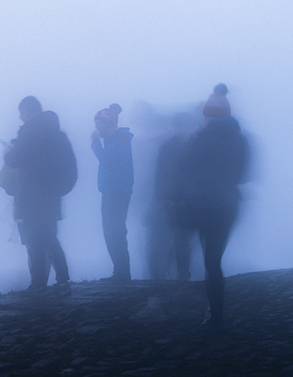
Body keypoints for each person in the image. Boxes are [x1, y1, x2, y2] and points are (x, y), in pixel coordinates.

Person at [171, 84, 250, 334]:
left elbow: (184, 168)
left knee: (208, 260)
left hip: (204, 206)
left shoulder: (201, 138)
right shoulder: (240, 139)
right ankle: (215, 315)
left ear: (209, 115)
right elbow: (242, 175)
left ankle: (214, 316)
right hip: (228, 205)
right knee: (214, 260)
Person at [3, 96, 77, 293]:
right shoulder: (58, 135)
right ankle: (63, 278)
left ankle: (38, 284)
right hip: (51, 196)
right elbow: (71, 167)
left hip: (30, 195)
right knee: (50, 237)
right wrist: (61, 189)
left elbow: (13, 158)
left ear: (28, 112)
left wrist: (9, 151)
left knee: (35, 240)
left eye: (22, 114)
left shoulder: (29, 133)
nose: (22, 118)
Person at [146, 112, 197, 281]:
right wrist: (161, 198)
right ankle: (164, 276)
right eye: (179, 126)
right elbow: (160, 175)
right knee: (170, 239)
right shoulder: (170, 147)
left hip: (184, 201)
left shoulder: (192, 146)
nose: (181, 129)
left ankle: (181, 275)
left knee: (181, 240)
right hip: (171, 200)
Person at [92, 103, 134, 283]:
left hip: (116, 190)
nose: (96, 127)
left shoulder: (119, 141)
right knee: (112, 231)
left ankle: (122, 273)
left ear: (108, 124)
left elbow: (106, 160)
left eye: (98, 123)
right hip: (113, 189)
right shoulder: (116, 140)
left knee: (114, 231)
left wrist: (94, 143)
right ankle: (120, 271)